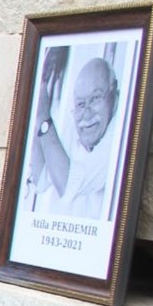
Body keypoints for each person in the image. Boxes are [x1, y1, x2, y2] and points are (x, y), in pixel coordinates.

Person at [28, 55, 120, 220]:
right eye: (80, 104)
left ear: (115, 94)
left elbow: (68, 184)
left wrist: (43, 118)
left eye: (95, 98)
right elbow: (41, 178)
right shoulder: (76, 123)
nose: (87, 113)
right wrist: (36, 113)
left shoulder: (119, 134)